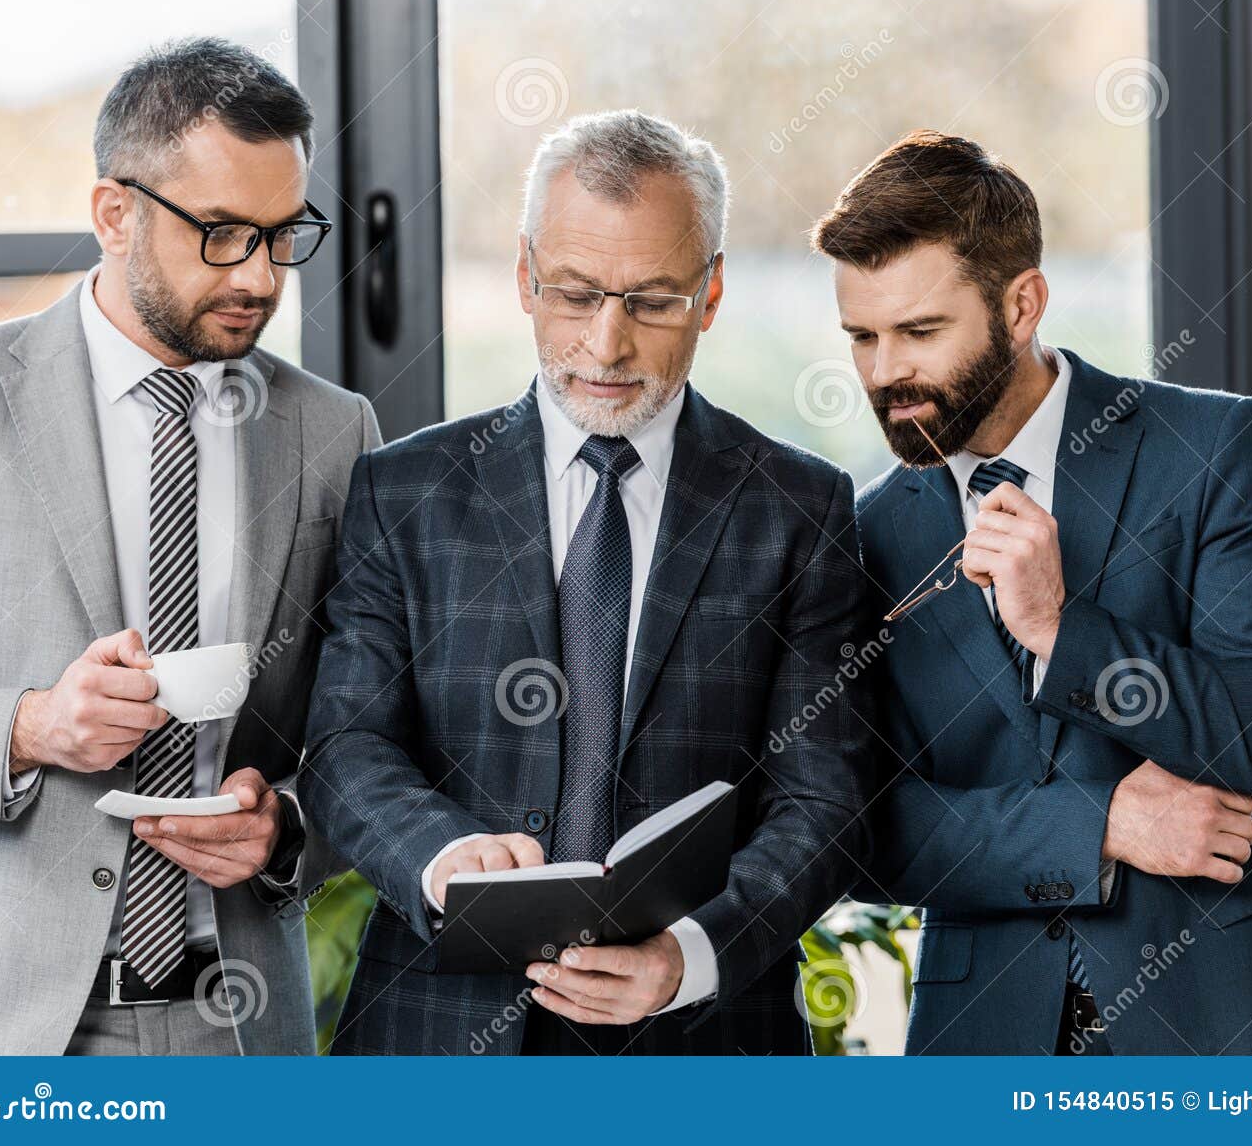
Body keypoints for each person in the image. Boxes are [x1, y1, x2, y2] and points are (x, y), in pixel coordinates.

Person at [300, 110, 869, 1055]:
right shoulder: (405, 490)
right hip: (438, 1033)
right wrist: (443, 857)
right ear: (526, 278)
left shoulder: (799, 507)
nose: (606, 346)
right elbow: (344, 747)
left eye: (651, 301)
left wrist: (689, 956)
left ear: (712, 291)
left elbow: (829, 799)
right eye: (574, 295)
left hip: (709, 1042)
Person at [820, 130, 1252, 1055]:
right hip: (988, 1040)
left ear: (1023, 302)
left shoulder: (1212, 450)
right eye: (862, 338)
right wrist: (1099, 825)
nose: (885, 374)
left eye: (920, 332)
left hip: (1237, 1022)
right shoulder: (861, 533)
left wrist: (1063, 629)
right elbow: (859, 826)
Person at [0, 37, 380, 1055]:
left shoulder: (335, 433)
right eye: (224, 233)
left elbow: (372, 731)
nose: (260, 275)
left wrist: (284, 825)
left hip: (232, 1026)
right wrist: (24, 729)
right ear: (115, 214)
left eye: (286, 236)